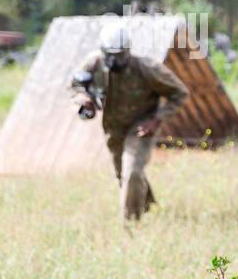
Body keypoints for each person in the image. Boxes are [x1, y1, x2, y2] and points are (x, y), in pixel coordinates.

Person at [69, 22, 189, 221]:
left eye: (120, 55)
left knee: (132, 172)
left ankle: (131, 224)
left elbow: (180, 93)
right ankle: (148, 206)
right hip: (113, 127)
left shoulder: (147, 68)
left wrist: (156, 121)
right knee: (122, 175)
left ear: (128, 50)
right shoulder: (94, 63)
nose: (115, 61)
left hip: (141, 126)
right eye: (110, 55)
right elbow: (75, 86)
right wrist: (83, 100)